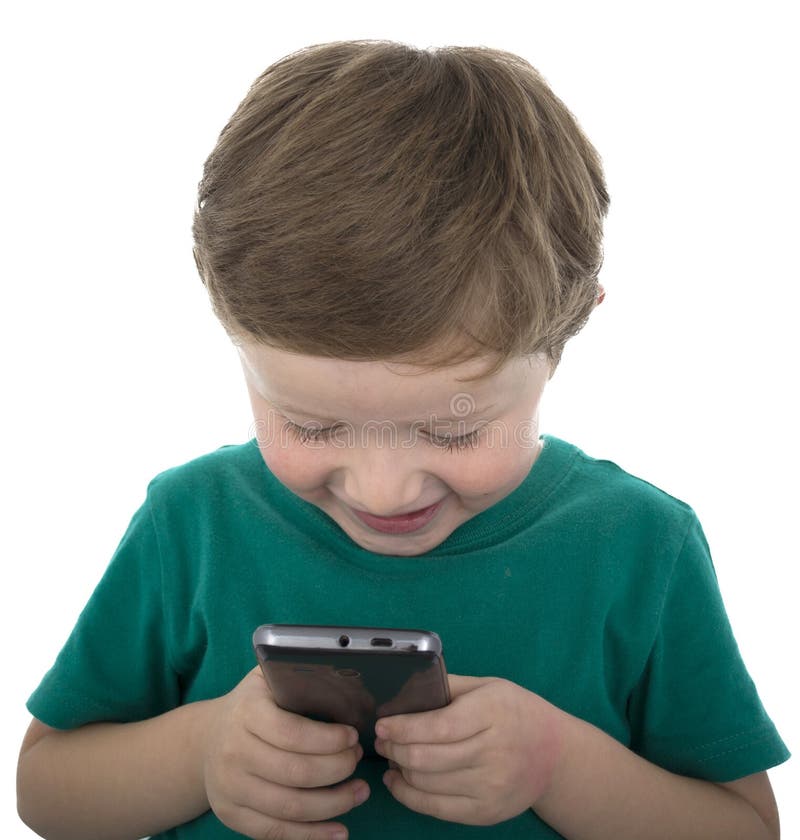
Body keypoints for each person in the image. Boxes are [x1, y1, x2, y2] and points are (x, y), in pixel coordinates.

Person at [17, 39, 789, 840]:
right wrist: (198, 751)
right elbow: (45, 789)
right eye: (311, 425)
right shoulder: (190, 523)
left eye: (452, 429)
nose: (382, 490)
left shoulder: (640, 546)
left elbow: (744, 827)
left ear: (569, 326)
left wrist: (560, 764)